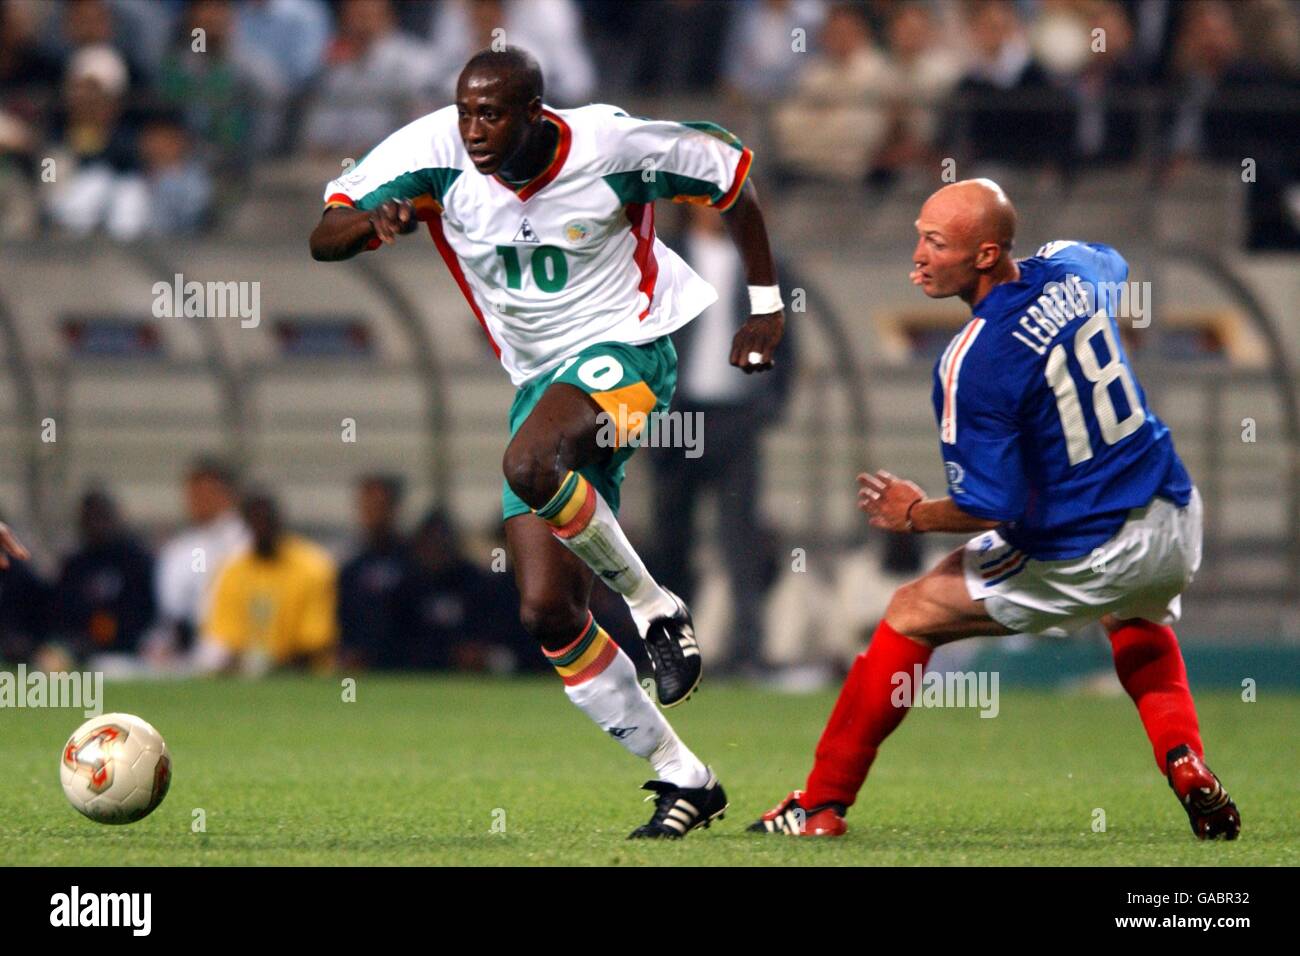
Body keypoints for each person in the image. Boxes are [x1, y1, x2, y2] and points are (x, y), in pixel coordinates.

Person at [310, 46, 785, 837]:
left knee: (529, 464)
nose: (474, 129)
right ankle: (687, 778)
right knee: (547, 612)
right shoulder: (432, 153)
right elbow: (322, 236)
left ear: (537, 113)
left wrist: (766, 306)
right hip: (540, 385)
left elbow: (730, 174)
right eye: (466, 112)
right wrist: (370, 223)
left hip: (632, 350)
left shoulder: (609, 146)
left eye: (492, 113)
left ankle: (653, 606)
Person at [751, 179, 1240, 841]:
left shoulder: (972, 361)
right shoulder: (1069, 268)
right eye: (920, 235)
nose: (917, 256)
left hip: (1091, 543)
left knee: (912, 613)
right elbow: (1109, 263)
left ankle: (819, 804)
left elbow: (993, 504)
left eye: (936, 243)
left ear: (985, 256)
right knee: (1135, 617)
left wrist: (915, 513)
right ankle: (1185, 761)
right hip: (1174, 517)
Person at [197, 493, 337, 675]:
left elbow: (316, 640)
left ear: (278, 522)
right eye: (256, 522)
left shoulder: (312, 566)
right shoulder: (232, 571)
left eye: (266, 522)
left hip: (303, 674)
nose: (262, 529)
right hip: (247, 675)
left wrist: (270, 666)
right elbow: (225, 635)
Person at [152, 458, 248, 661]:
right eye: (193, 495)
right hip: (195, 644)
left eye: (206, 494)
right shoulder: (185, 550)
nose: (198, 502)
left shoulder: (247, 543)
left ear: (228, 495)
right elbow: (178, 607)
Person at [337, 474, 414, 670]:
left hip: (410, 668)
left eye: (380, 506)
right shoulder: (351, 569)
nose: (373, 514)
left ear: (394, 508)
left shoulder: (414, 564)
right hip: (363, 668)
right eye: (368, 506)